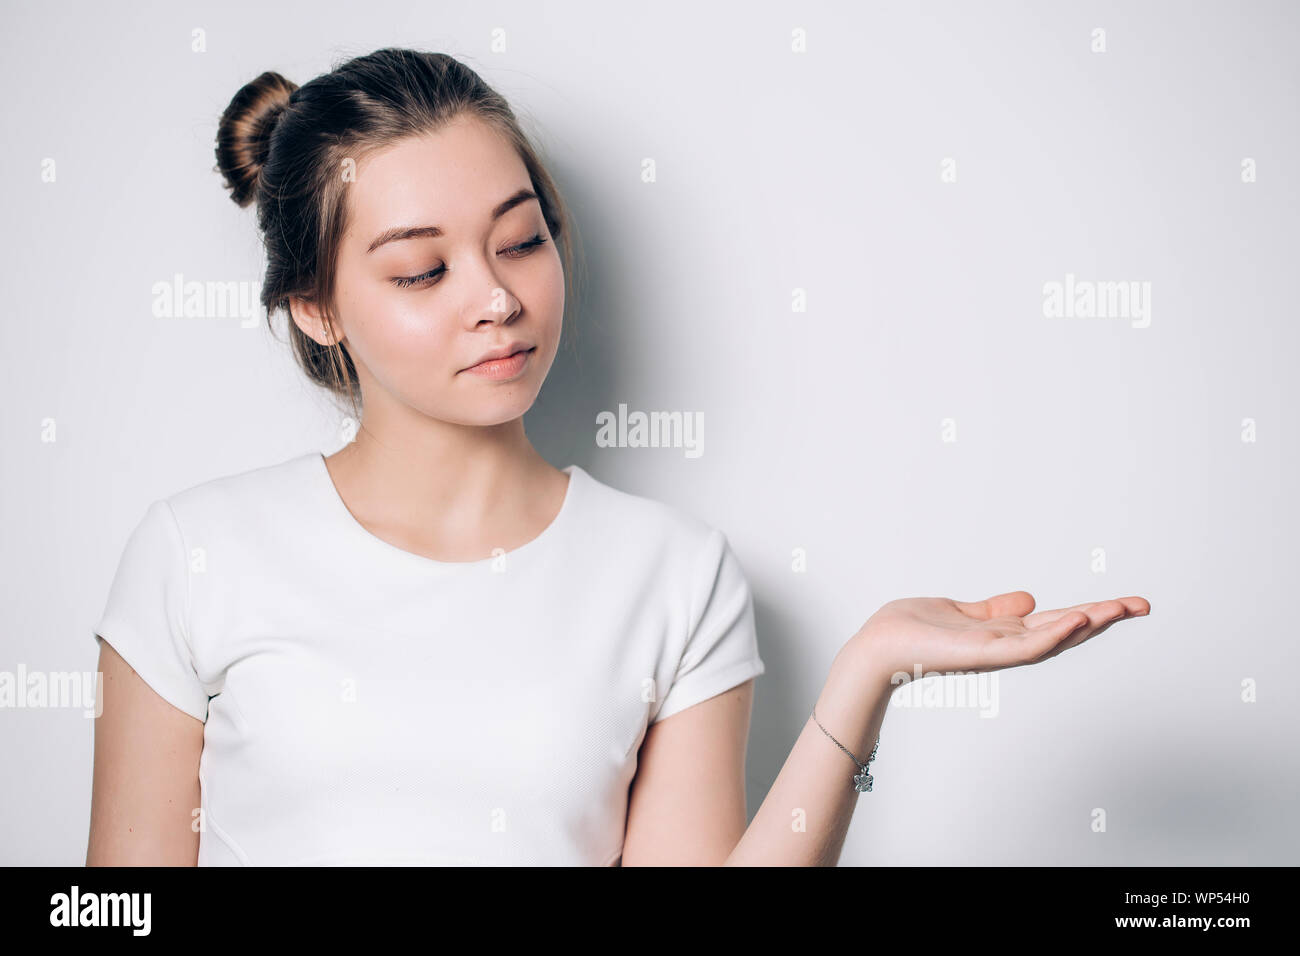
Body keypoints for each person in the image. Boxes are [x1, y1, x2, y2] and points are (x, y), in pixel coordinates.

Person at [85, 48, 1150, 867]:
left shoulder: (673, 574)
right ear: (316, 307)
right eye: (421, 270)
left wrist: (863, 675)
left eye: (520, 239)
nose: (497, 297)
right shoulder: (195, 552)